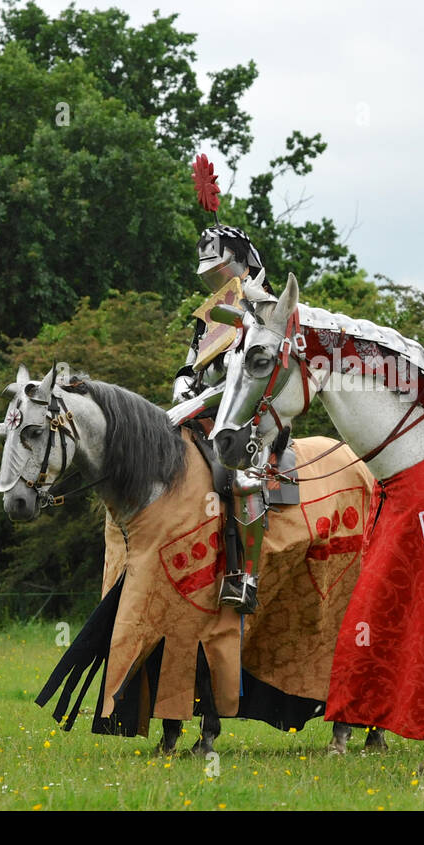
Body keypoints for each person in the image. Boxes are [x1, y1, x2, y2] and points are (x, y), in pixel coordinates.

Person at [172, 224, 278, 614]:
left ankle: (245, 578)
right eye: (210, 275)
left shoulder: (266, 307)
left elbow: (253, 374)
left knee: (244, 478)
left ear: (242, 264)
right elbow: (189, 365)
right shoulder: (208, 317)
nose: (217, 281)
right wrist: (183, 388)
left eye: (221, 271)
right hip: (204, 410)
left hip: (252, 414)